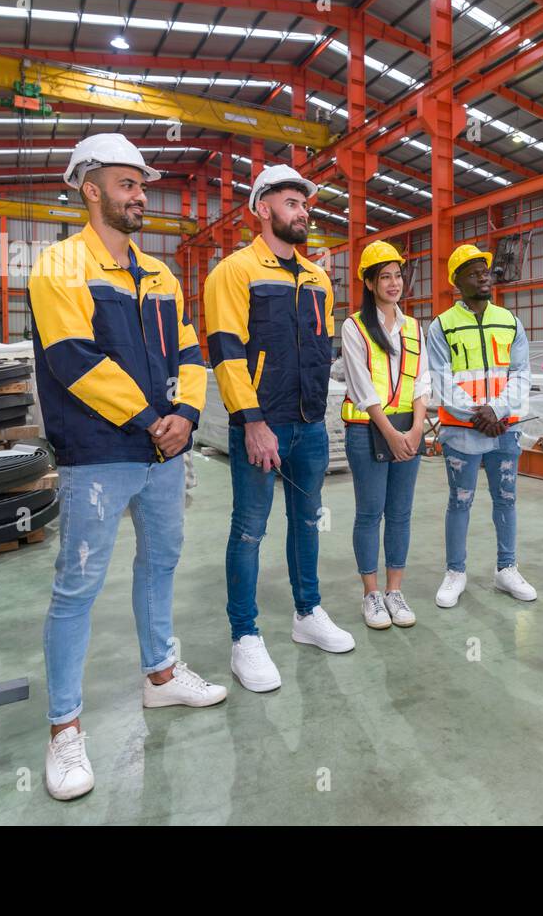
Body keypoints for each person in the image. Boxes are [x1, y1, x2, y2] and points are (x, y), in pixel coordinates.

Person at [29, 133, 226, 802]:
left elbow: (193, 354)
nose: (141, 194)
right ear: (91, 189)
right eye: (127, 183)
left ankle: (161, 677)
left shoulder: (161, 274)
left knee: (162, 562)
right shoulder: (59, 265)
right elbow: (72, 358)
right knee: (77, 588)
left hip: (165, 454)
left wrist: (188, 418)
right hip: (97, 456)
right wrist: (152, 418)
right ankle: (64, 727)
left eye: (143, 184)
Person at [203, 163, 351, 696]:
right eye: (292, 203)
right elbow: (225, 352)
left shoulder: (316, 278)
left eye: (305, 204)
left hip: (311, 425)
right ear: (263, 208)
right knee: (249, 529)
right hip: (263, 426)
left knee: (308, 521)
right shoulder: (234, 271)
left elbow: (319, 350)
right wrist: (253, 421)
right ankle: (244, 636)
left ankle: (307, 612)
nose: (303, 212)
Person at [426, 244, 537, 607]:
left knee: (506, 500)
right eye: (473, 272)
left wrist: (497, 411)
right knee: (460, 501)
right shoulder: (442, 326)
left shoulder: (510, 322)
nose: (483, 276)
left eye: (485, 270)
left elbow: (522, 374)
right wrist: (479, 415)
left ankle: (507, 569)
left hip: (504, 429)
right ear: (457, 281)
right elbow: (441, 380)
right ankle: (456, 572)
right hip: (462, 432)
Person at [341, 240, 432, 629]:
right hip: (368, 431)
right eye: (385, 277)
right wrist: (391, 434)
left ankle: (395, 591)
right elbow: (363, 387)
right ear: (370, 282)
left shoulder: (413, 327)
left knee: (400, 513)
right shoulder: (355, 326)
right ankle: (371, 594)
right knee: (369, 512)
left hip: (407, 428)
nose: (394, 283)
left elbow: (423, 380)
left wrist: (414, 428)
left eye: (398, 276)